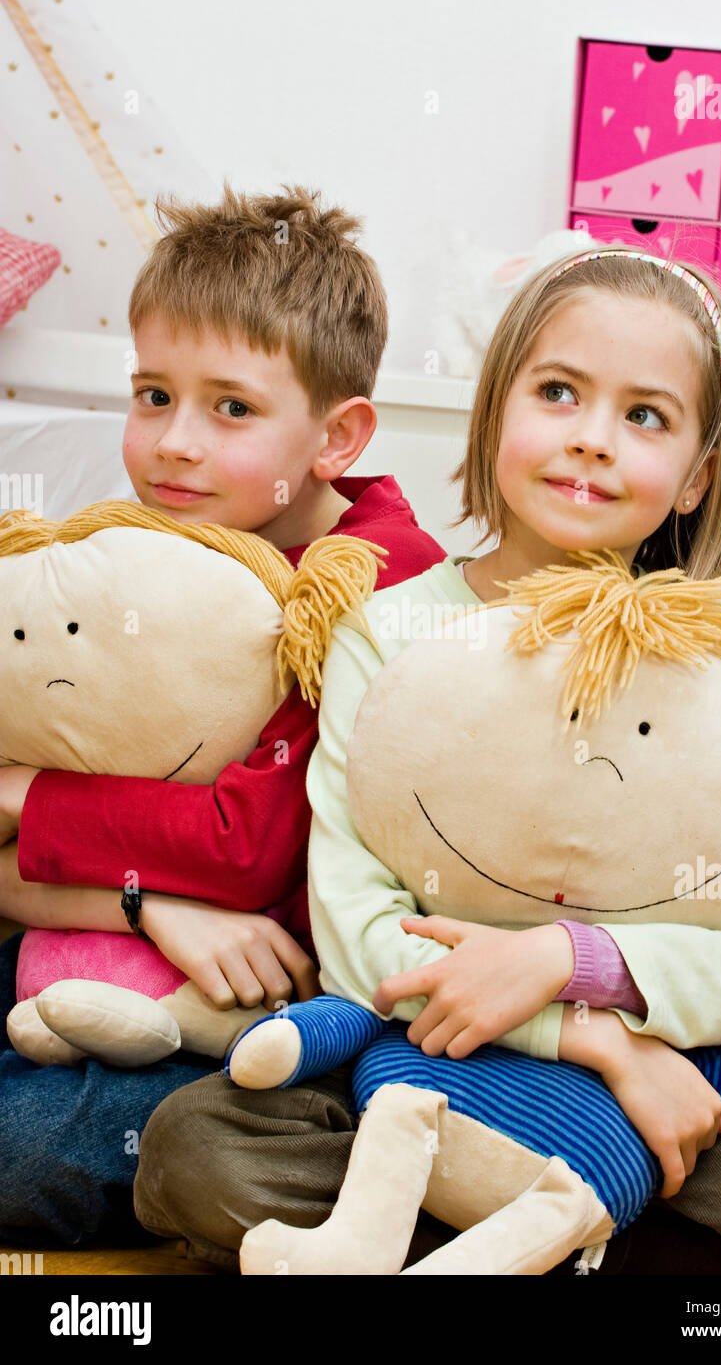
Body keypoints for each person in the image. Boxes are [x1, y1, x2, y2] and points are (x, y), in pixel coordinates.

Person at [134, 248, 721, 1275]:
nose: (588, 439)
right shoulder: (389, 633)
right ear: (493, 412)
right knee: (194, 1151)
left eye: (644, 416)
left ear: (698, 472)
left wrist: (572, 960)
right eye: (558, 392)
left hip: (674, 1054)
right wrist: (594, 1038)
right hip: (436, 1057)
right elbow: (356, 931)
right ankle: (557, 1228)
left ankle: (514, 1227)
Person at [0, 182, 445, 1248]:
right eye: (152, 394)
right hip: (101, 936)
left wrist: (29, 797)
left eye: (231, 408)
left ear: (335, 436)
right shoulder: (135, 550)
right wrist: (145, 904)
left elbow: (250, 855)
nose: (174, 444)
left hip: (265, 1003)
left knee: (27, 1160)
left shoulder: (371, 586)